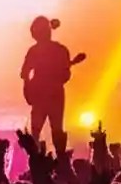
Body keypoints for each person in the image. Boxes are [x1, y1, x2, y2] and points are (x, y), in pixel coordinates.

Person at [20, 16, 84, 157]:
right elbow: (65, 75)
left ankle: (44, 158)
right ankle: (54, 159)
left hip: (48, 95)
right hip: (50, 95)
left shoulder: (39, 51)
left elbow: (25, 73)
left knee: (45, 130)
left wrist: (29, 89)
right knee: (51, 130)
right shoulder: (58, 50)